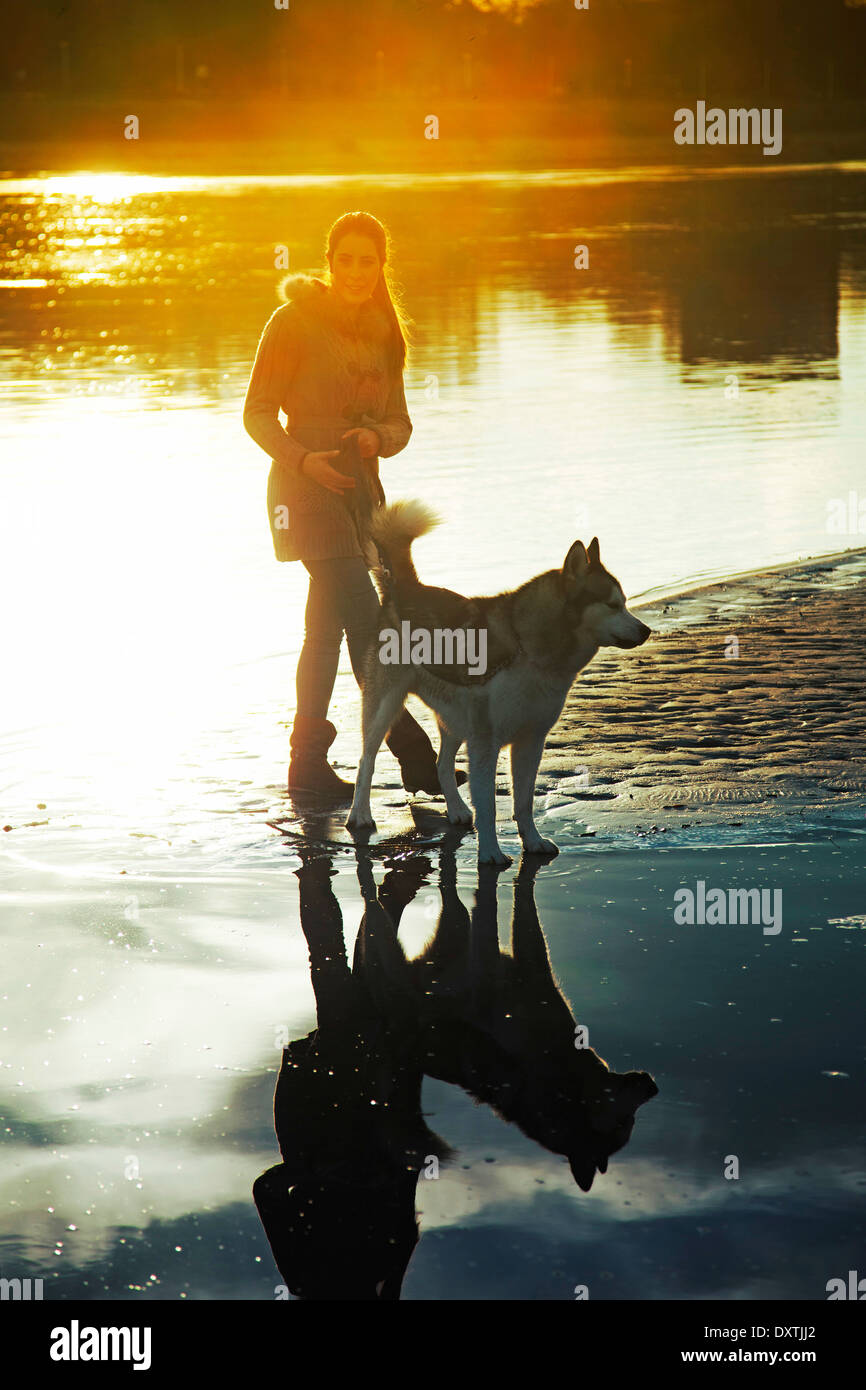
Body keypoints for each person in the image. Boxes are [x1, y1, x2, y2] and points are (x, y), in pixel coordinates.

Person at [244, 210, 464, 799]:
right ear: (330, 261)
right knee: (367, 617)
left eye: (370, 261)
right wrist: (302, 458)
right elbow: (257, 412)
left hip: (361, 492)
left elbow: (401, 422)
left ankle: (306, 767)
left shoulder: (386, 330)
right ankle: (412, 751)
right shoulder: (291, 322)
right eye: (347, 259)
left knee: (324, 629)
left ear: (381, 265)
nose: (358, 272)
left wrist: (377, 439)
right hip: (305, 488)